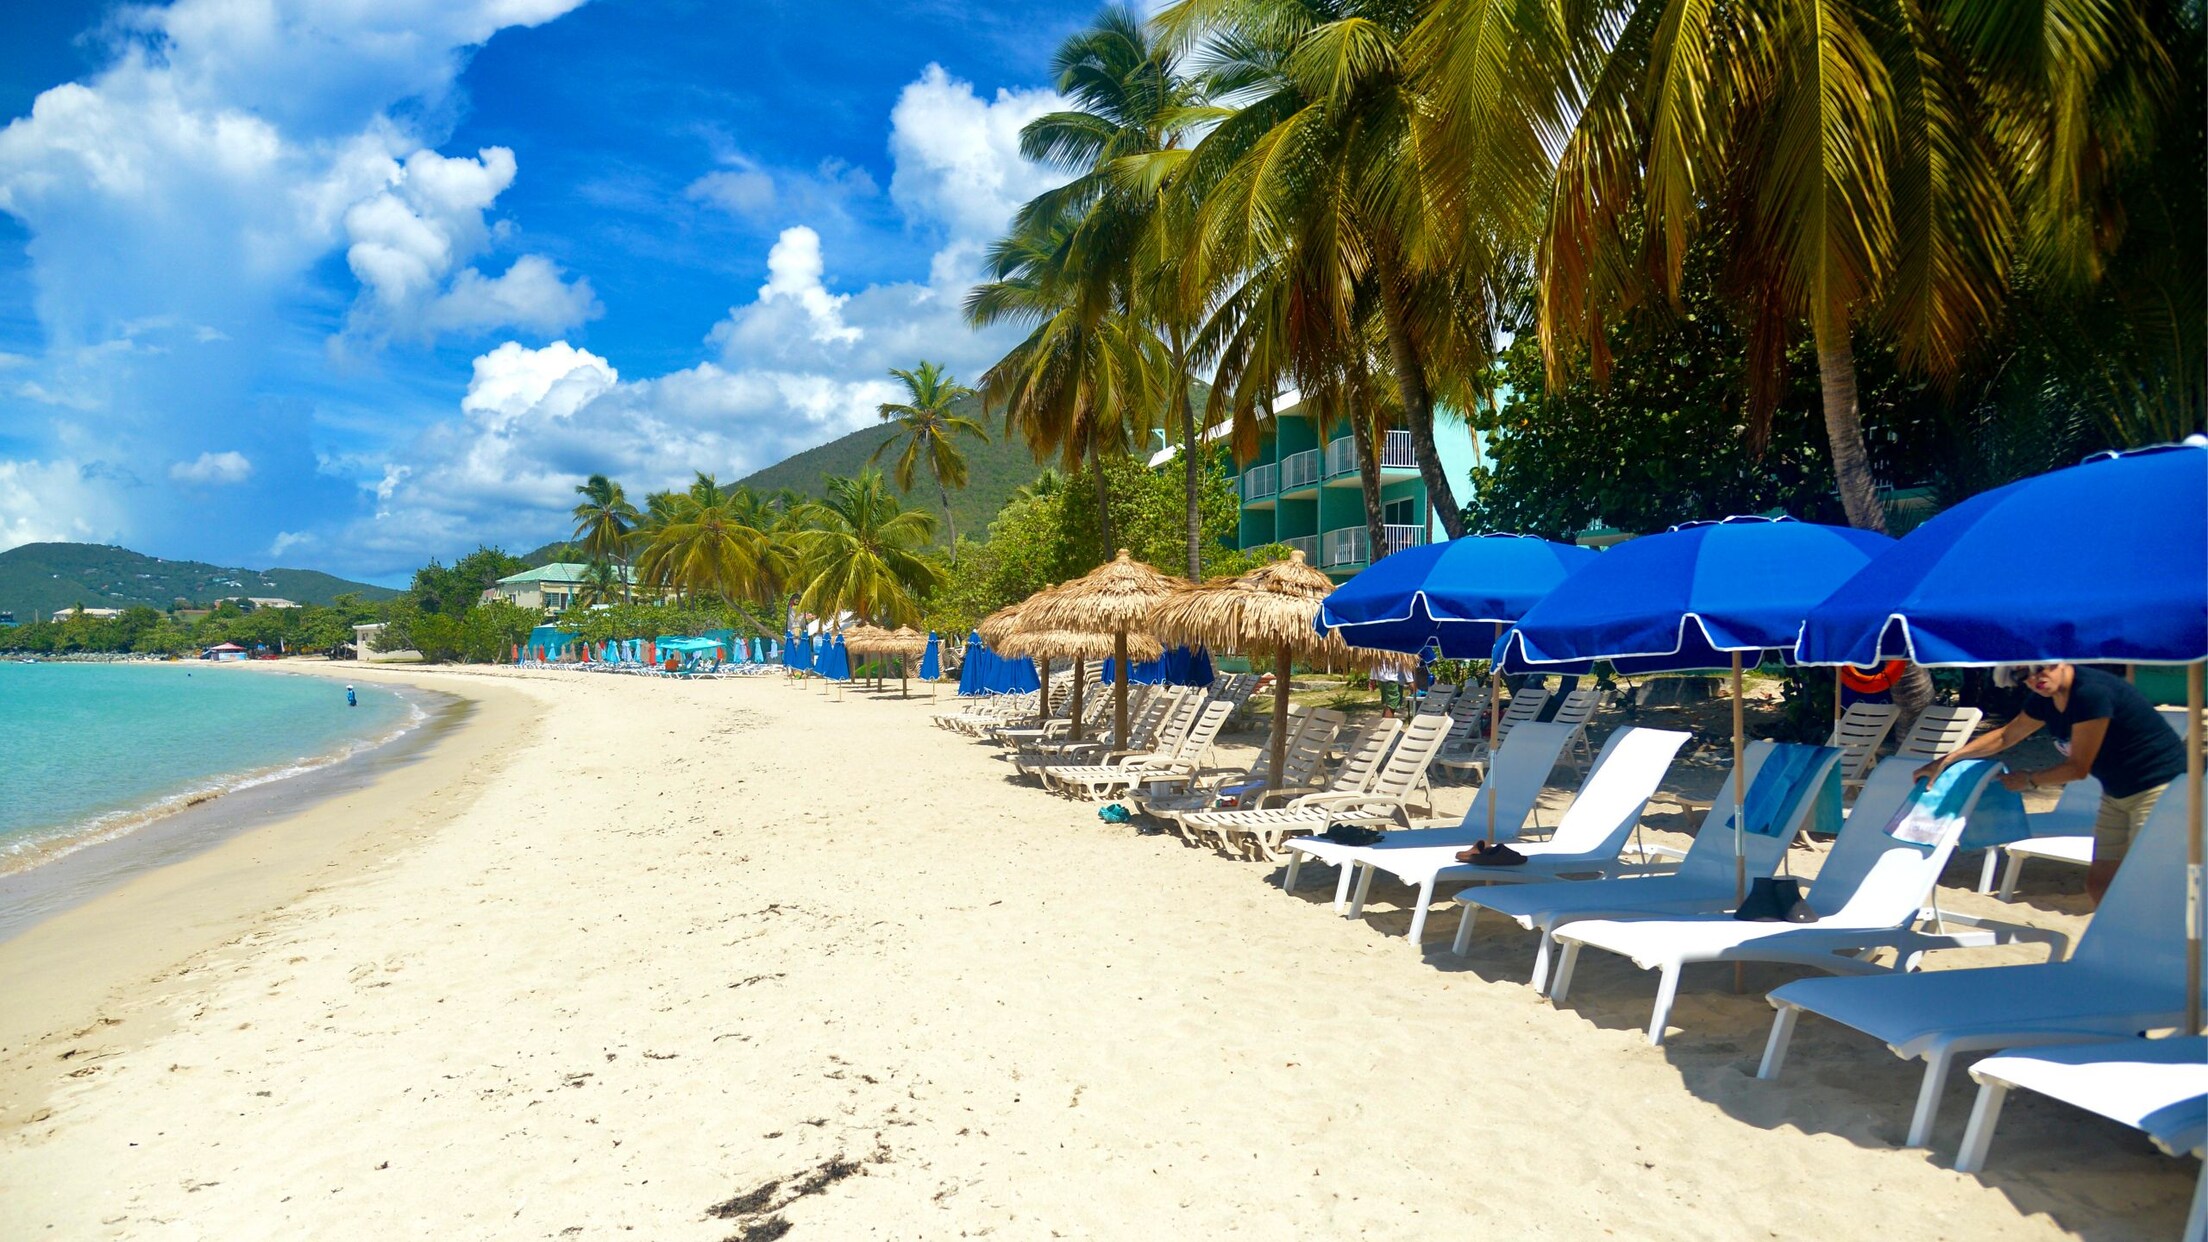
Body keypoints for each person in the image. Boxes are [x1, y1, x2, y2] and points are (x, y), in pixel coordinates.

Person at [1916, 663, 2185, 906]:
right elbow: (2006, 735)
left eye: (2042, 667)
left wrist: (2030, 780)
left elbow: (2078, 768)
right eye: (2023, 674)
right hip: (2116, 793)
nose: (2035, 678)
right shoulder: (2045, 699)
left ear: (2063, 661)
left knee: (2154, 881)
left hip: (2161, 789)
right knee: (2099, 883)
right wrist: (1948, 759)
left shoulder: (2090, 693)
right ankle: (2126, 946)